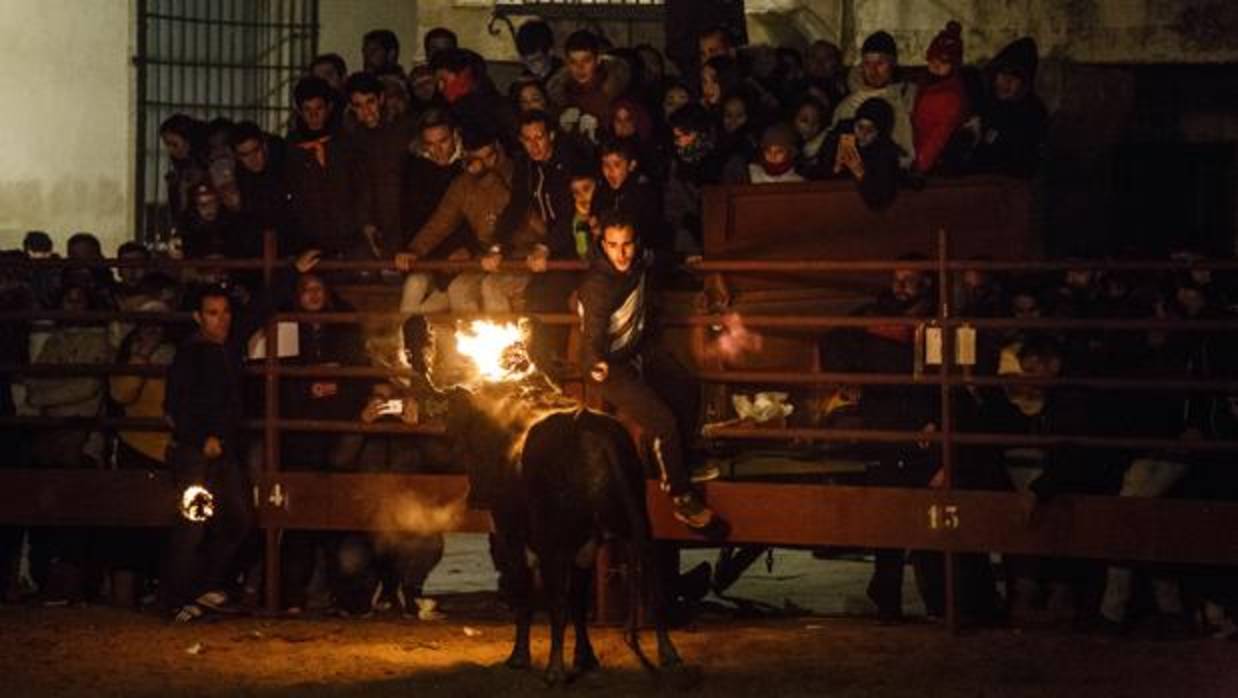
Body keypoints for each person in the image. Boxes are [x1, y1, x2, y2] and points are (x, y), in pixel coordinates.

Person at [161, 249, 321, 621]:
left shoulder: (227, 346)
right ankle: (180, 596)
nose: (223, 320)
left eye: (225, 313)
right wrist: (203, 438)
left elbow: (258, 310)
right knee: (194, 525)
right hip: (197, 452)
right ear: (199, 317)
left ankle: (200, 588)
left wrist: (289, 271)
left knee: (237, 518)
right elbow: (175, 406)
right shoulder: (190, 356)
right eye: (214, 314)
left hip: (220, 450)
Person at [578, 210, 714, 529]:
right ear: (603, 244)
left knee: (687, 386)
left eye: (626, 245)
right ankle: (680, 495)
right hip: (608, 365)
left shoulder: (640, 260)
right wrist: (596, 361)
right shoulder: (597, 285)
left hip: (638, 350)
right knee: (661, 421)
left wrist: (688, 257)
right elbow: (592, 334)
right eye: (613, 246)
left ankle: (683, 457)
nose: (621, 254)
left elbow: (660, 259)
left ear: (635, 243)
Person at [395, 122, 519, 312]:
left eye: (489, 156)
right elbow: (441, 221)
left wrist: (498, 248)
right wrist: (415, 249)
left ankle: (506, 342)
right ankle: (471, 339)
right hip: (484, 256)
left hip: (519, 255)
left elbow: (522, 219)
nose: (485, 163)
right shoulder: (463, 185)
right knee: (459, 289)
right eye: (477, 159)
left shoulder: (516, 174)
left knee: (492, 288)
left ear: (497, 150)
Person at [399, 109, 468, 314]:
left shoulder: (471, 165)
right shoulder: (415, 170)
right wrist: (413, 250)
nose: (438, 150)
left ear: (455, 135)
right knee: (414, 287)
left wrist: (467, 248)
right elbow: (412, 218)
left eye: (443, 141)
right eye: (430, 144)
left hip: (464, 259)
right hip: (429, 256)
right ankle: (404, 344)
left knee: (430, 311)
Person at [286, 76, 360, 257]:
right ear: (299, 111)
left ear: (329, 108)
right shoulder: (291, 148)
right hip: (306, 241)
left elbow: (356, 189)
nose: (313, 115)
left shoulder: (347, 143)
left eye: (318, 108)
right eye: (307, 109)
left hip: (346, 238)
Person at [346, 71, 416, 258]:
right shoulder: (353, 140)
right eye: (358, 105)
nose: (367, 111)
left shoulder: (405, 129)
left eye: (370, 102)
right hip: (376, 226)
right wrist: (366, 222)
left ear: (381, 98)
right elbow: (359, 185)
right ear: (351, 108)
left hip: (409, 221)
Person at [830, 30, 916, 170]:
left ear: (893, 63)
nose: (873, 70)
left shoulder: (909, 96)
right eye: (867, 63)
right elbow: (844, 154)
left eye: (880, 63)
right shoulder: (847, 106)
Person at [967, 36, 1048, 178]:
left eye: (1015, 77)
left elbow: (1020, 163)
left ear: (1024, 84)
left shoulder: (1032, 113)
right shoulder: (989, 104)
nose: (1006, 82)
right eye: (1003, 73)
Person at [547, 30, 630, 143]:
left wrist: (600, 133)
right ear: (567, 64)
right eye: (573, 62)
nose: (580, 68)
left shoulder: (617, 93)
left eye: (586, 60)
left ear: (598, 60)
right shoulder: (559, 97)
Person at [819, 97, 901, 209]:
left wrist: (859, 170)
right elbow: (821, 171)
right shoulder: (841, 134)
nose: (863, 134)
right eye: (860, 127)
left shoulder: (885, 152)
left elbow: (880, 199)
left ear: (880, 133)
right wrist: (835, 162)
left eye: (870, 130)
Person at [912, 22, 970, 175]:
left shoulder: (952, 97)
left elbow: (940, 136)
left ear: (954, 65)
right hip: (917, 154)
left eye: (944, 61)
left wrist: (920, 165)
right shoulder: (924, 84)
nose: (936, 65)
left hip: (931, 164)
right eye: (933, 58)